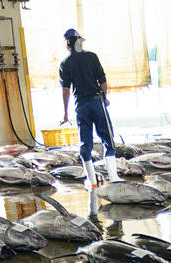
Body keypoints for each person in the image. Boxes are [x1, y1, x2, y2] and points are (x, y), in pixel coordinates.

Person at [58, 27, 119, 187]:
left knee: (85, 144)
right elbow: (103, 80)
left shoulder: (65, 63)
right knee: (109, 141)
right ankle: (113, 178)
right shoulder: (92, 57)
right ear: (78, 41)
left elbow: (65, 90)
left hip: (81, 106)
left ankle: (91, 181)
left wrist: (65, 113)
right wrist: (104, 99)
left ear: (67, 44)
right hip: (96, 102)